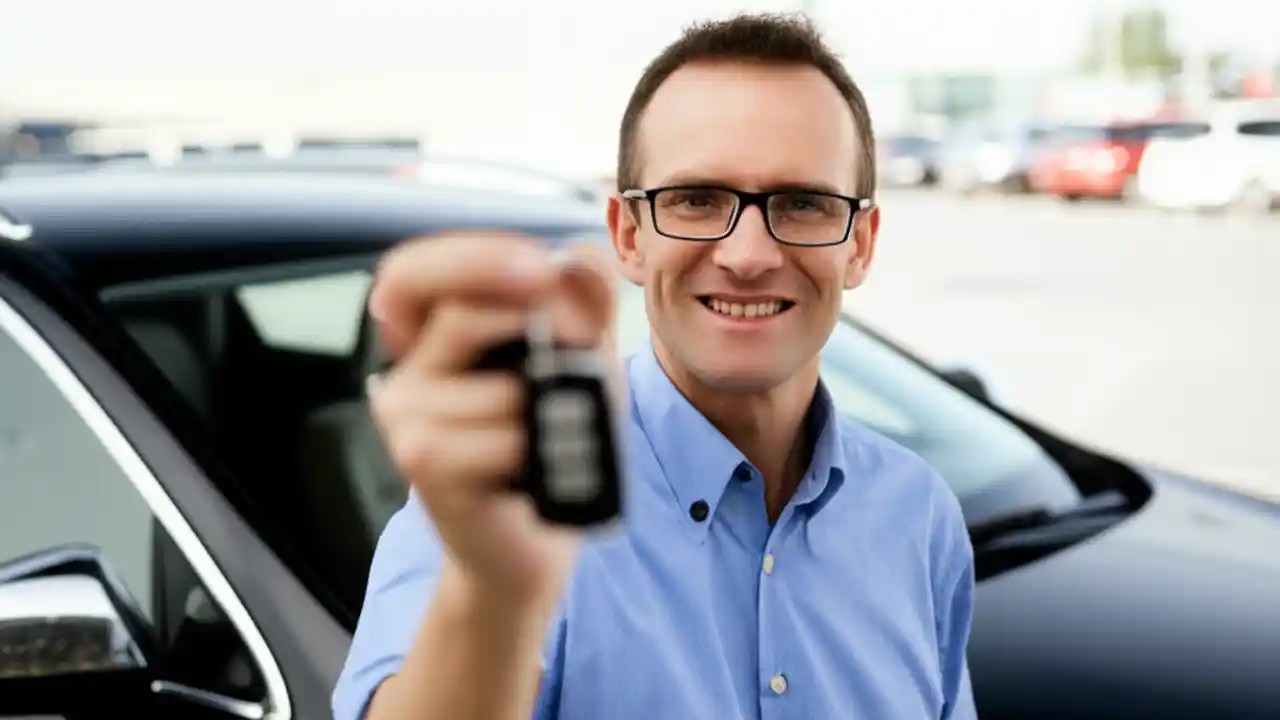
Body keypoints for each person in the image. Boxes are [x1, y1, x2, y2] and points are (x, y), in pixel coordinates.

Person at [333, 12, 976, 720]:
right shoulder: (504, 509)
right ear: (627, 236)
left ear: (860, 244)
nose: (749, 255)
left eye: (802, 204)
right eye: (697, 200)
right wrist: (493, 596)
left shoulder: (919, 516)